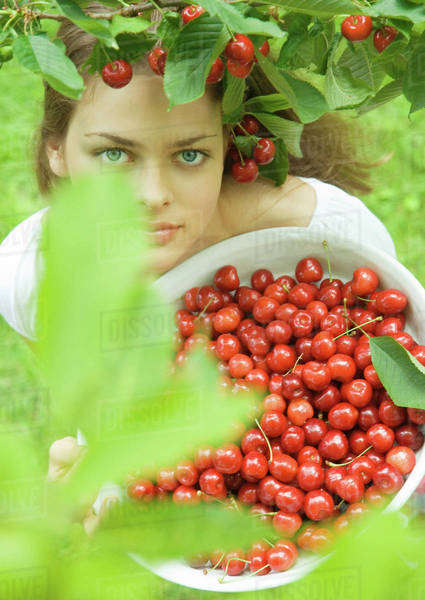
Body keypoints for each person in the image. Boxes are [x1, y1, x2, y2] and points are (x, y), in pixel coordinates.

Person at [0, 4, 397, 532]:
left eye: (189, 155)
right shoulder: (32, 277)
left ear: (229, 146)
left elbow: (393, 384)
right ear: (56, 152)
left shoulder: (332, 239)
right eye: (115, 156)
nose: (152, 196)